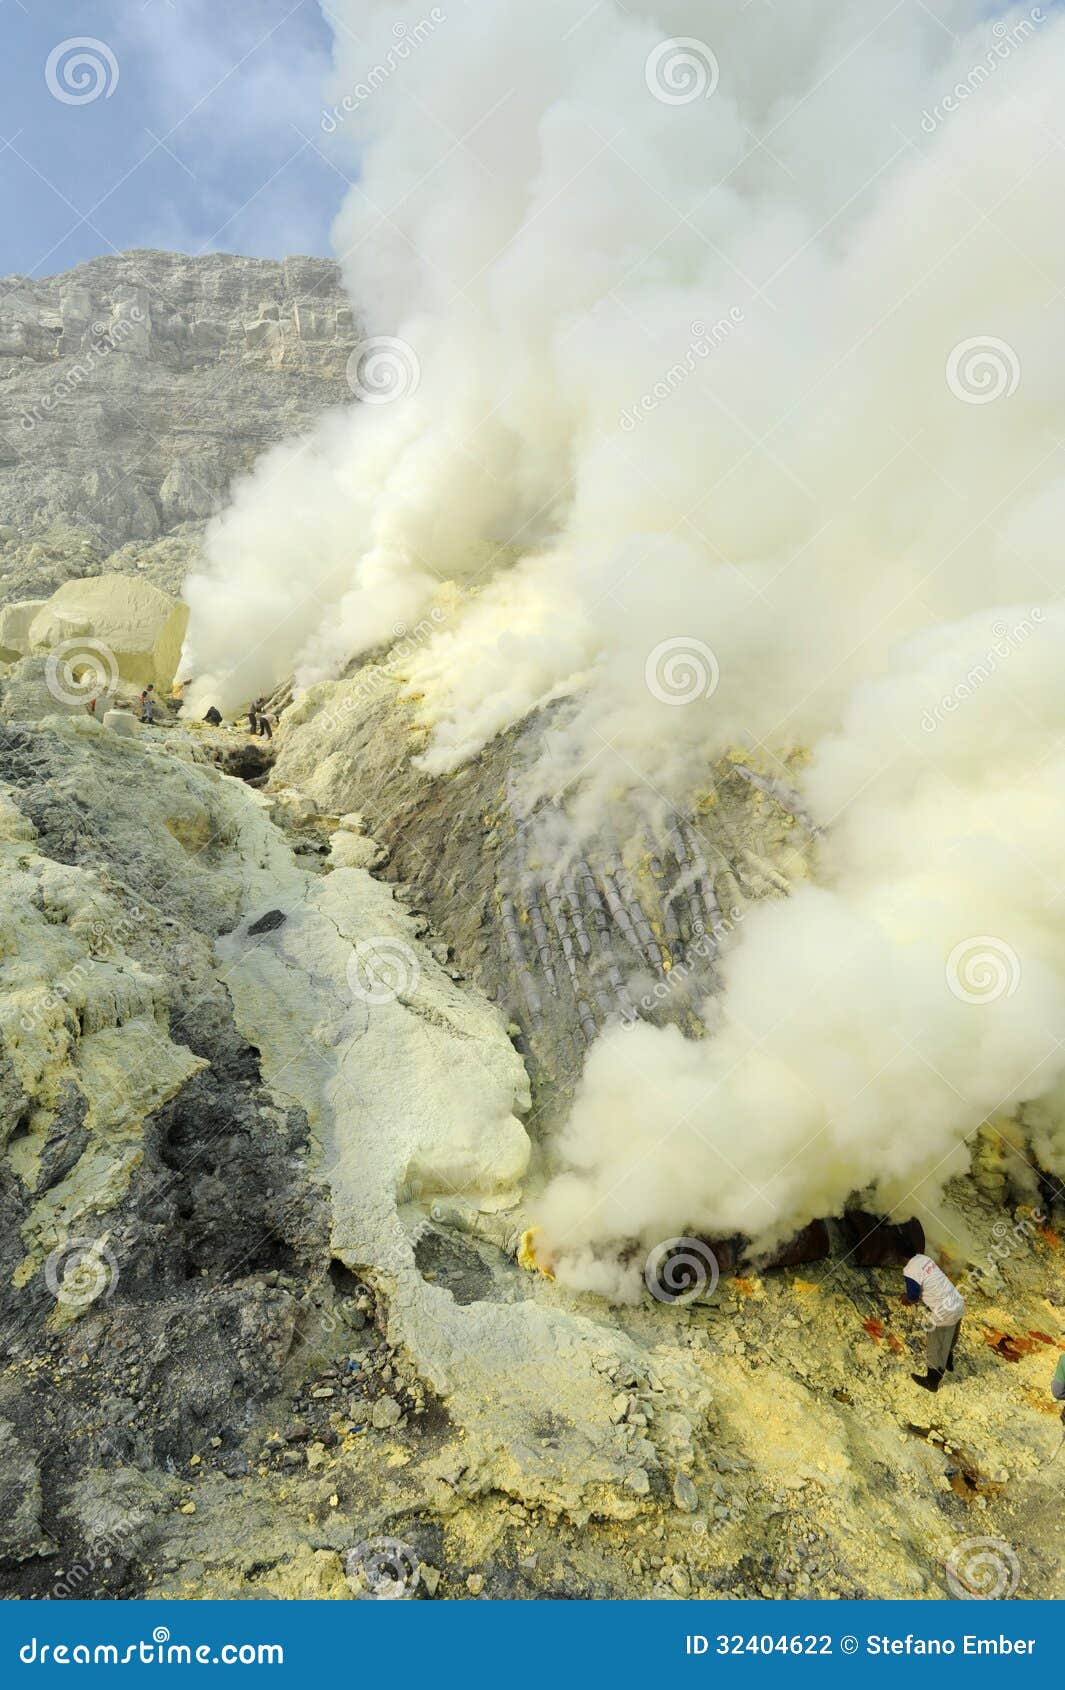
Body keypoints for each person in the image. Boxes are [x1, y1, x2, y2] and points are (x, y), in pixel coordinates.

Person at [902, 1252, 965, 1392]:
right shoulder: (925, 1259)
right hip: (957, 1302)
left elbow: (912, 1297)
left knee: (935, 1345)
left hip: (945, 1313)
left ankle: (932, 1381)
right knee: (951, 1334)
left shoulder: (909, 1271)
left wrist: (905, 1298)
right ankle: (948, 1359)